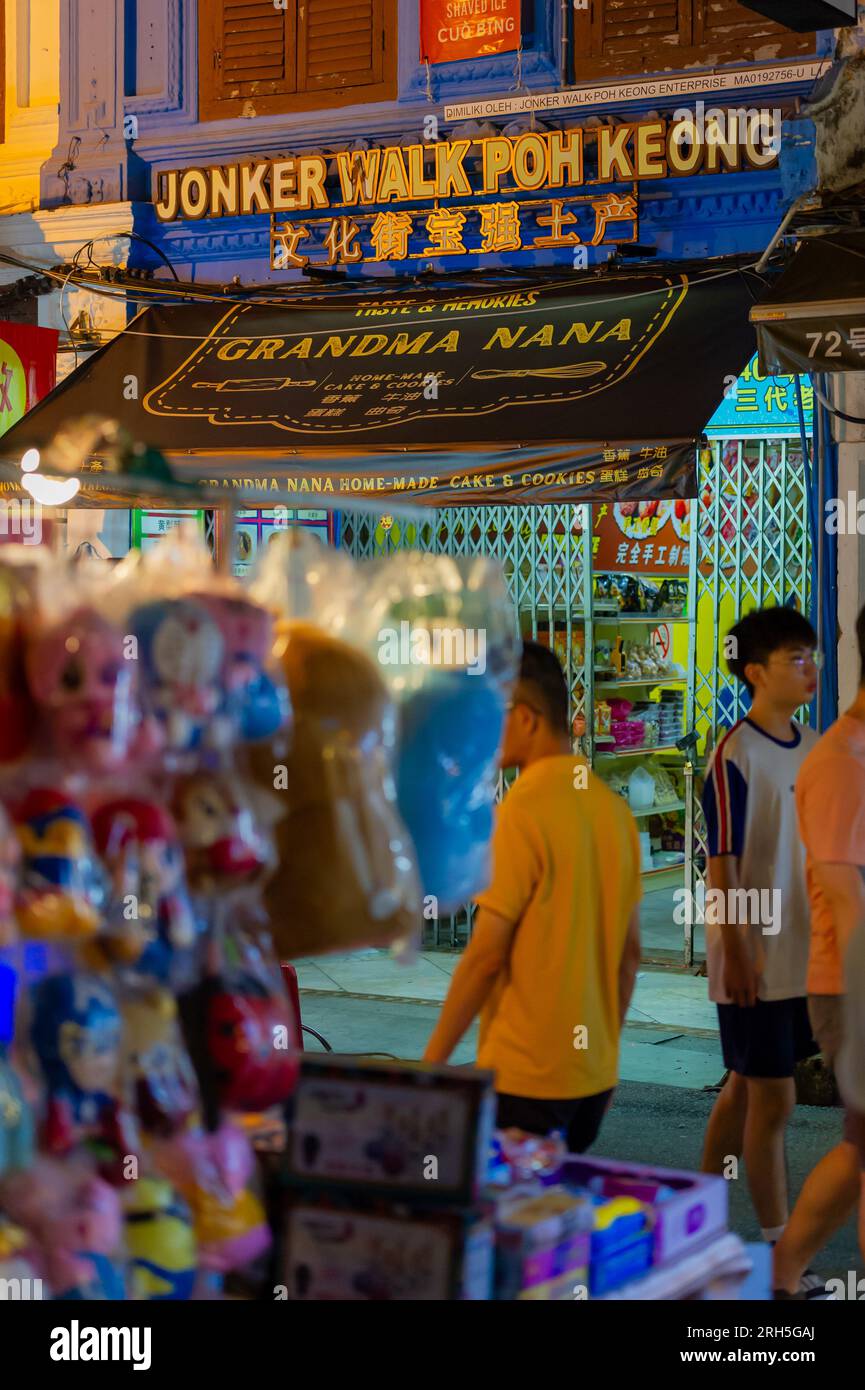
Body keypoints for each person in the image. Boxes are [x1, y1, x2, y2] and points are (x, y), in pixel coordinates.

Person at [423, 640, 641, 1154]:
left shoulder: (520, 813)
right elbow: (629, 958)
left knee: (515, 1224)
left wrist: (431, 1065)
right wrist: (604, 1058)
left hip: (526, 1078)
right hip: (590, 1081)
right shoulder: (613, 811)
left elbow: (484, 958)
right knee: (558, 1219)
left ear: (524, 718)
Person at [699, 607, 821, 1274]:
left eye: (812, 656)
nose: (811, 669)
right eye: (795, 658)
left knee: (745, 1085)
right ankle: (782, 1258)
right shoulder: (732, 755)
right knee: (773, 1096)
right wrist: (738, 949)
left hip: (802, 955)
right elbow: (720, 862)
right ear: (754, 673)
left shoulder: (811, 745)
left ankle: (698, 1206)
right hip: (755, 960)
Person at [772, 601, 865, 1297]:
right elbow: (840, 890)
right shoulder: (839, 763)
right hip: (852, 984)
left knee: (858, 1150)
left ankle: (780, 1275)